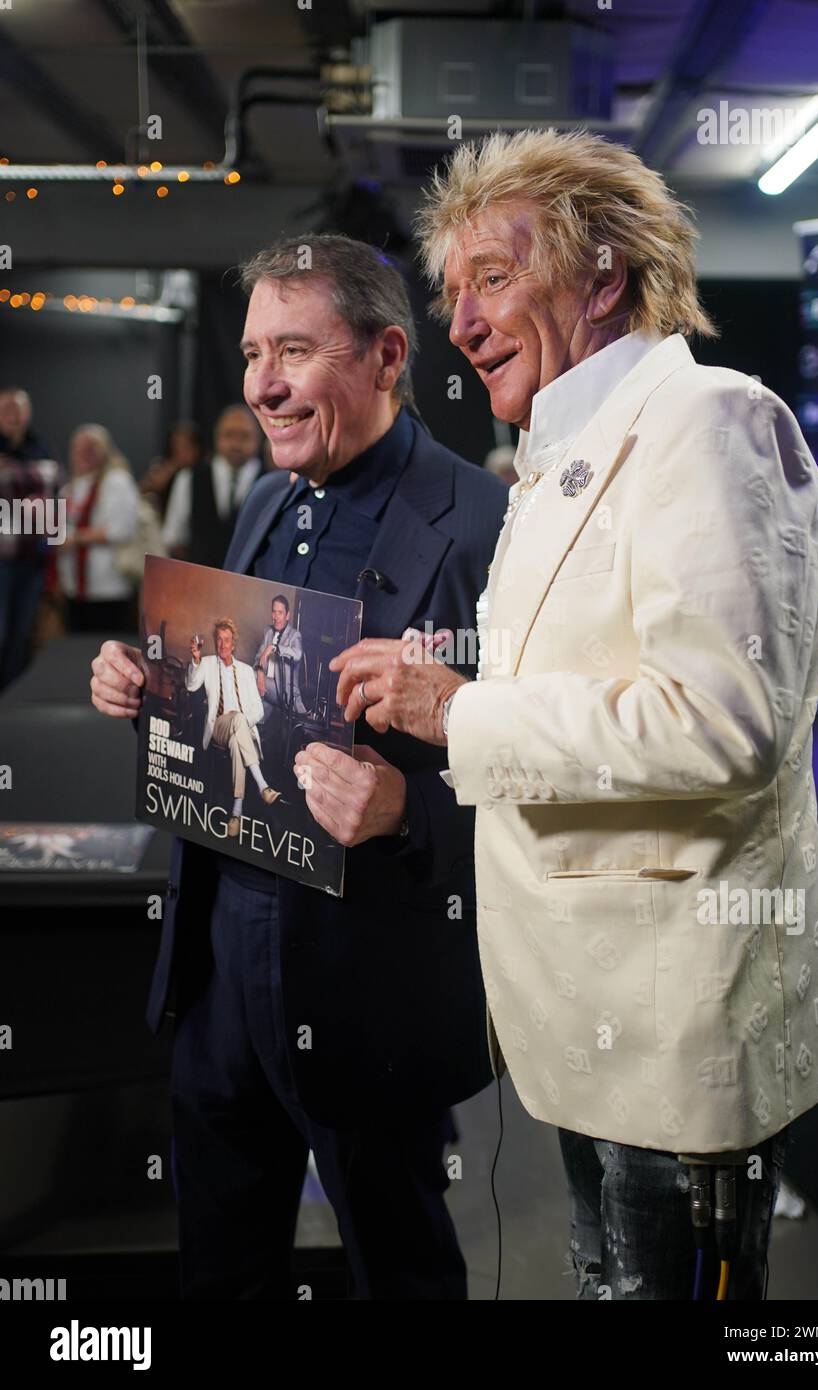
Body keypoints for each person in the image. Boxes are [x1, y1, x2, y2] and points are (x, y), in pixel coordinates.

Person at [329, 128, 818, 1301]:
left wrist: (461, 713)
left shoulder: (710, 420)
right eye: (452, 291)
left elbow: (722, 719)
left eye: (494, 279)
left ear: (605, 274)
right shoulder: (563, 452)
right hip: (592, 1030)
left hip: (675, 1044)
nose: (460, 324)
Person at [89, 232, 507, 1300]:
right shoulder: (268, 500)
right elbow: (238, 717)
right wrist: (150, 692)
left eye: (293, 351)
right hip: (221, 963)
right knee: (221, 1263)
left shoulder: (482, 527)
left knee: (399, 1270)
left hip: (370, 980)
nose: (262, 386)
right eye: (249, 352)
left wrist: (407, 807)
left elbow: (545, 783)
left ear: (385, 356)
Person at [186, 616, 279, 836]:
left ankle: (236, 813)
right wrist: (196, 660)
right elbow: (191, 685)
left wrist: (240, 722)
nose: (222, 645)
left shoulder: (246, 671)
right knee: (237, 720)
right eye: (218, 640)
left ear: (233, 643)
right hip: (218, 727)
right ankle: (262, 785)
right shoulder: (207, 663)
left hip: (239, 729)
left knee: (238, 740)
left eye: (226, 640)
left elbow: (258, 710)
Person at [0, 387, 60, 689]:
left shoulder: (42, 449)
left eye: (19, 408)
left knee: (21, 634)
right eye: (7, 407)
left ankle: (8, 697)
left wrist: (51, 546)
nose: (14, 414)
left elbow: (53, 504)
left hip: (32, 561)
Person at [57, 424, 140, 633]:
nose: (84, 454)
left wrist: (76, 538)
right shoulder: (70, 487)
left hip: (110, 588)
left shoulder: (117, 482)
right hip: (75, 587)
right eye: (79, 448)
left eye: (91, 447)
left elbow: (120, 530)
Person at [162, 405, 262, 566]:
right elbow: (174, 538)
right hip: (200, 582)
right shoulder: (189, 478)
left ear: (258, 439)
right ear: (217, 437)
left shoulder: (276, 484)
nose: (236, 443)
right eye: (229, 435)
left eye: (244, 435)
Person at [255, 592, 305, 720]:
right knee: (257, 722)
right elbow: (258, 658)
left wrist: (274, 648)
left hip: (284, 692)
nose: (275, 617)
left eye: (280, 612)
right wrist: (260, 673)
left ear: (287, 615)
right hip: (267, 687)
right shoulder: (268, 633)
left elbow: (297, 654)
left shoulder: (295, 635)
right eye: (274, 612)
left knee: (249, 675)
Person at [140, 420, 202, 516]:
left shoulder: (203, 471)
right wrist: (172, 467)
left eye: (185, 445)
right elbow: (144, 488)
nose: (180, 450)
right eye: (176, 445)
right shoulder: (163, 464)